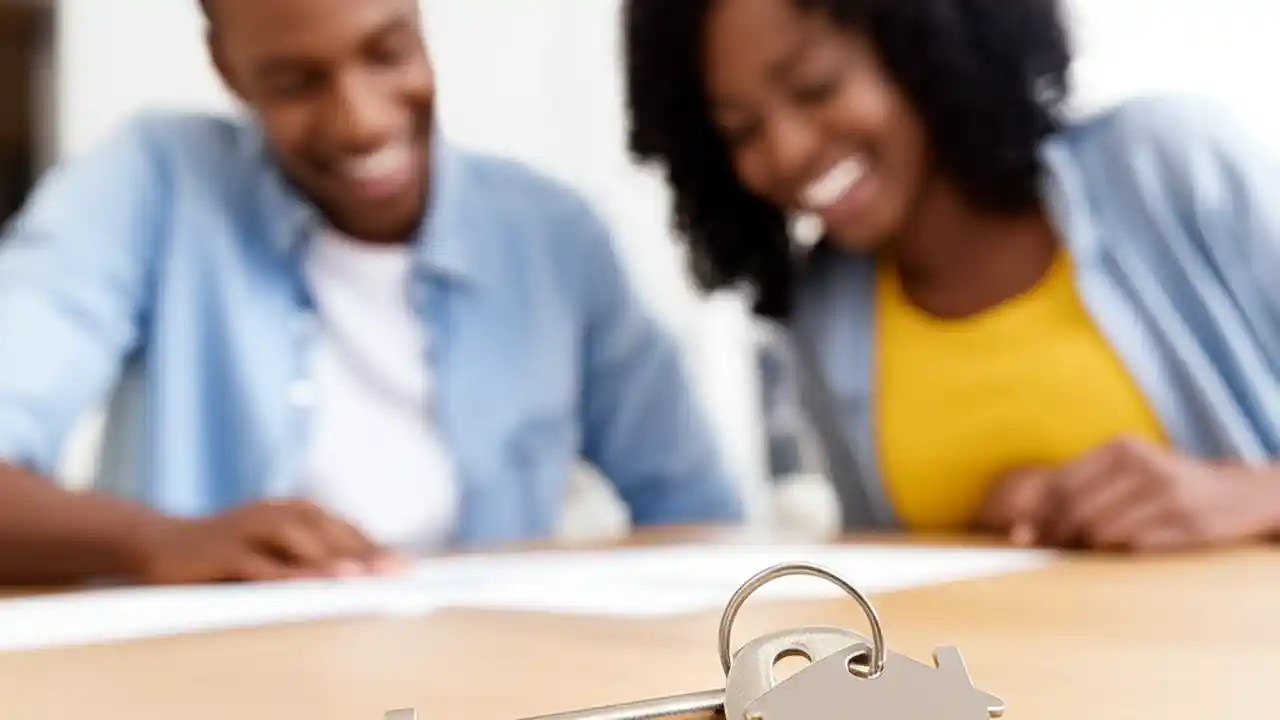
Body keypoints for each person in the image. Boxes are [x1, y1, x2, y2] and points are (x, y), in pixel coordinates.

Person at [0, 0, 742, 585]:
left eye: (387, 51)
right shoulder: (151, 184)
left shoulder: (555, 238)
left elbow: (700, 515)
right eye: (294, 83)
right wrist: (157, 543)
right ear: (229, 69)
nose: (359, 120)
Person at [624, 0, 1280, 551]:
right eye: (741, 131)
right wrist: (1009, 519)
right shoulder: (826, 308)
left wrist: (1248, 495)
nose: (786, 150)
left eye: (817, 88)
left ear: (924, 46)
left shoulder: (1171, 166)